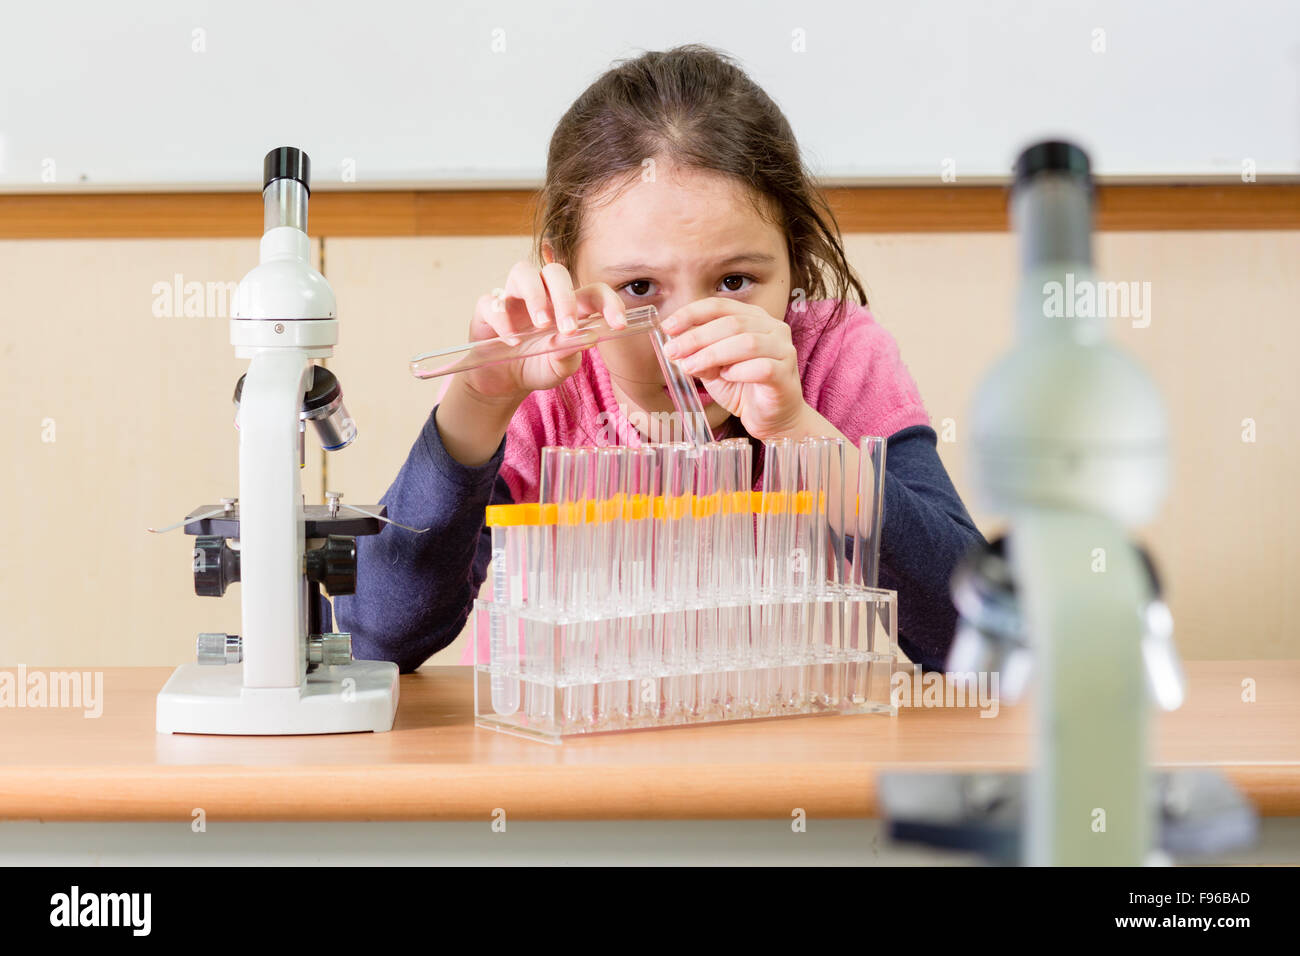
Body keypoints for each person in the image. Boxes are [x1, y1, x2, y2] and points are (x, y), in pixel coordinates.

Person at [333, 44, 984, 673]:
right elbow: (379, 639)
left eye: (735, 282)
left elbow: (972, 637)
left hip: (775, 763)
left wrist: (797, 432)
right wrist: (479, 402)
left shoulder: (834, 358)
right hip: (556, 774)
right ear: (565, 273)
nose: (682, 337)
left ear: (795, 258)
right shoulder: (545, 378)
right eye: (638, 289)